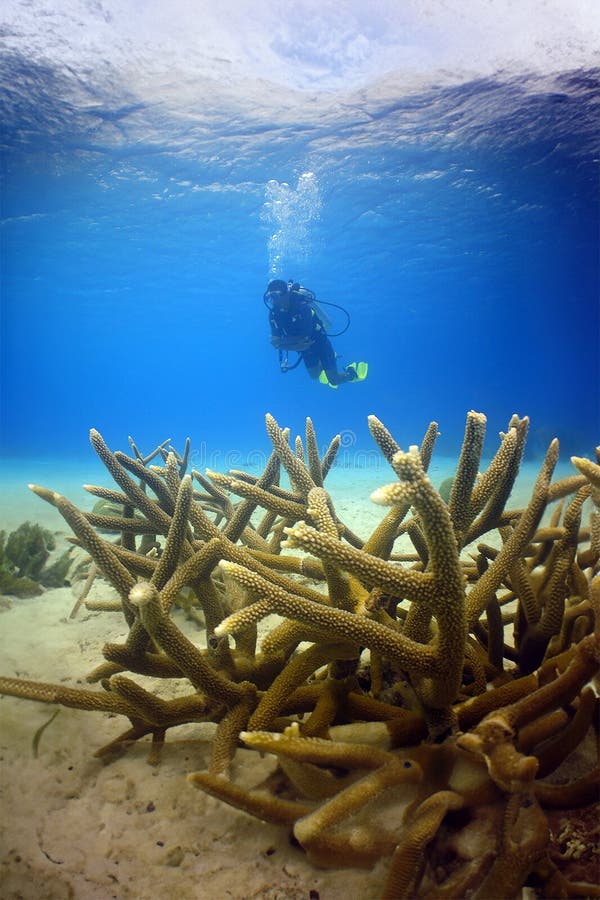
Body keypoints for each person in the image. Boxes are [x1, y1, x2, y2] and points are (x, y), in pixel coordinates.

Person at [264, 279, 368, 388]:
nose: (272, 301)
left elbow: (303, 338)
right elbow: (278, 342)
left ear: (286, 294)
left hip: (319, 342)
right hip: (304, 348)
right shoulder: (274, 314)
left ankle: (351, 373)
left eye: (275, 296)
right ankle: (329, 361)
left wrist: (282, 343)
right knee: (314, 376)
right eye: (269, 297)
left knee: (334, 380)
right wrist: (291, 345)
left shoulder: (302, 306)